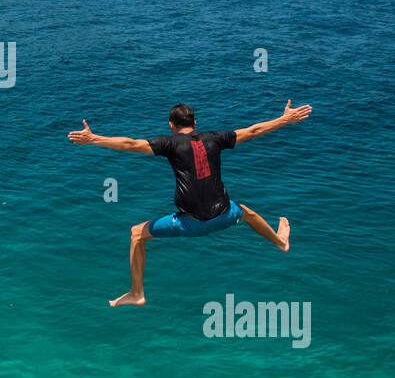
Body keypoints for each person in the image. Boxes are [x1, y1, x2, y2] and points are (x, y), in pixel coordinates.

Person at [68, 100, 312, 306]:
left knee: (136, 234)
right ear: (196, 124)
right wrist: (284, 120)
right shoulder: (216, 138)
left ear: (171, 126)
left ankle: (137, 293)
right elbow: (254, 130)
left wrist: (93, 139)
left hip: (191, 224)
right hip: (226, 215)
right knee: (248, 214)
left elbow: (131, 144)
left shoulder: (170, 143)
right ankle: (280, 242)